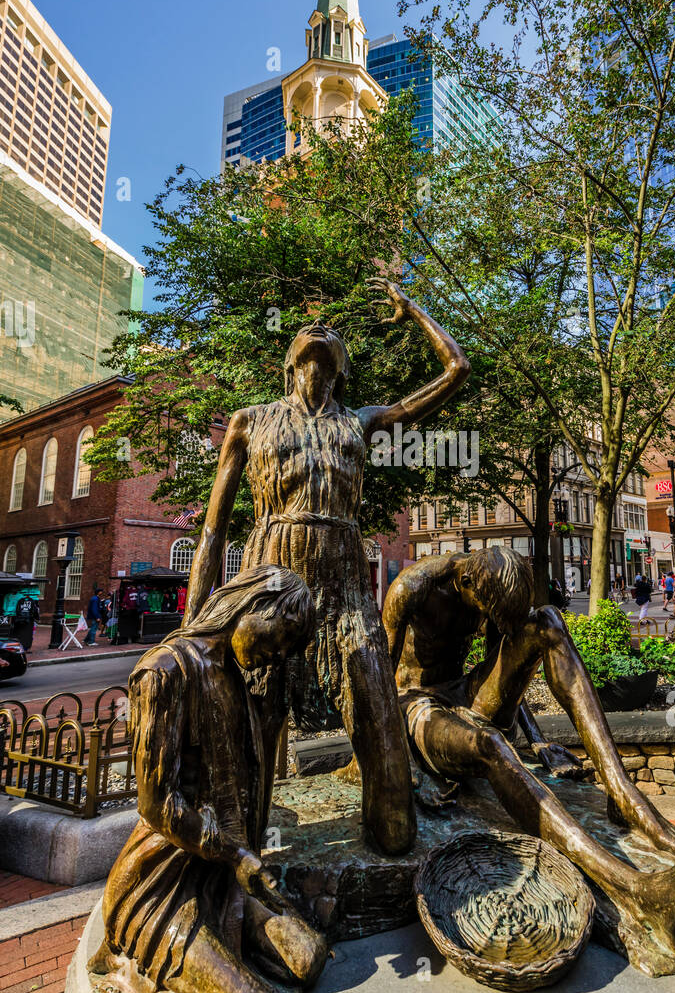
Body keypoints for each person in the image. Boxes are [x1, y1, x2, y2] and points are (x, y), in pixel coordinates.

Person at [184, 273, 470, 859]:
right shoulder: (249, 421)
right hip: (268, 593)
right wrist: (193, 632)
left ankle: (387, 847)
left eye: (329, 332)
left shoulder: (358, 421)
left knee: (393, 807)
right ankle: (249, 878)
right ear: (290, 365)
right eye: (305, 332)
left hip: (345, 597)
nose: (318, 328)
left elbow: (456, 371)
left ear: (341, 367)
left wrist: (413, 309)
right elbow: (212, 531)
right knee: (253, 763)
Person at [382, 548, 675, 978]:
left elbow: (498, 672)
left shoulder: (490, 589)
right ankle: (632, 890)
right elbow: (377, 691)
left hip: (463, 694)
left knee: (547, 623)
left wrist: (539, 742)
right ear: (465, 586)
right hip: (416, 709)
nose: (490, 624)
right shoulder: (410, 589)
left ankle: (626, 796)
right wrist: (405, 772)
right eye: (487, 614)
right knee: (491, 746)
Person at [88, 564, 326, 993]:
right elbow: (157, 805)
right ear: (253, 605)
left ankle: (219, 959)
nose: (274, 656)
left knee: (309, 956)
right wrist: (236, 854)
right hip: (163, 885)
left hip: (220, 878)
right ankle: (144, 977)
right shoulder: (165, 672)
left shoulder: (235, 676)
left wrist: (241, 861)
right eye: (279, 637)